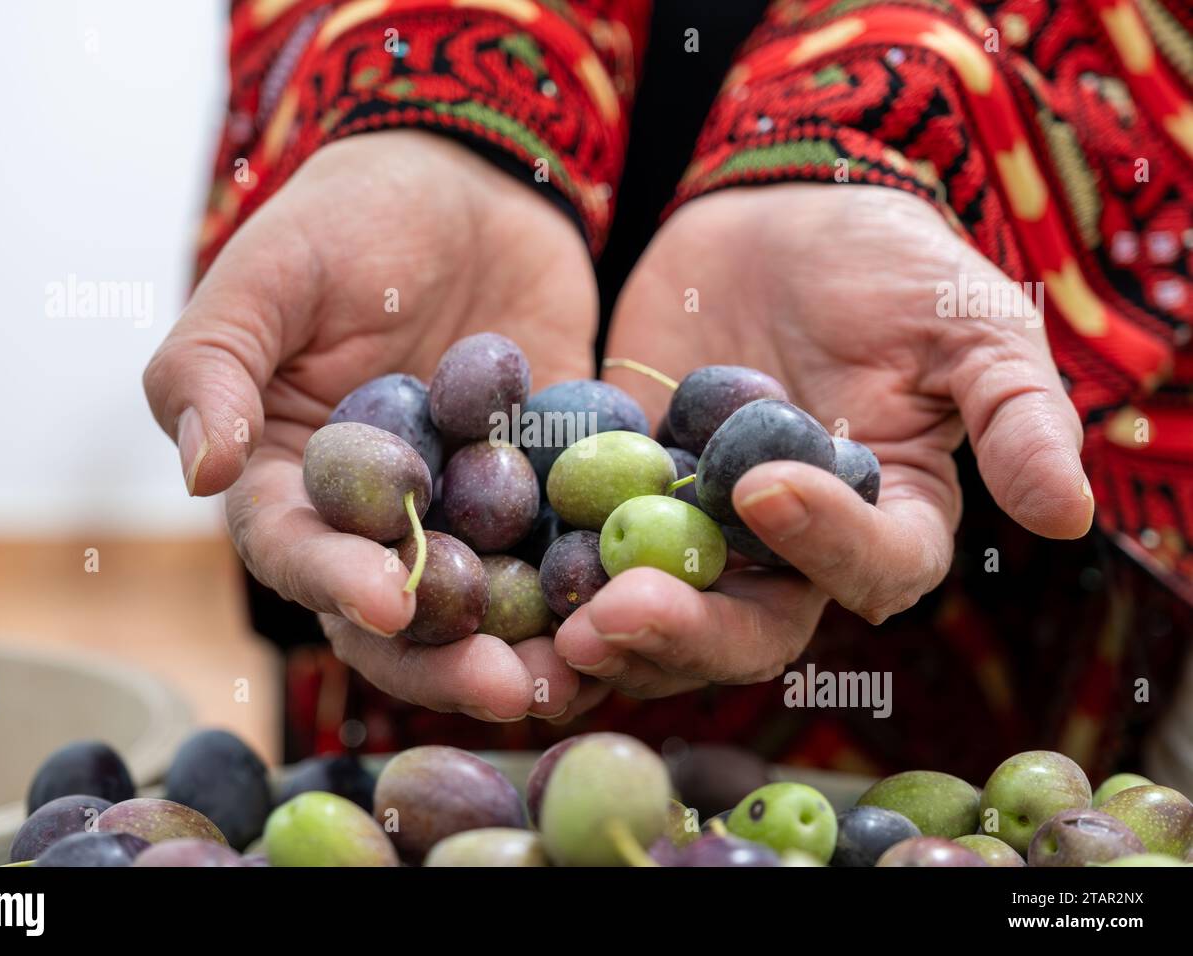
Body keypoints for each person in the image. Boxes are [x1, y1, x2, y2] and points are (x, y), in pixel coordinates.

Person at [143, 0, 1193, 780]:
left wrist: (871, 135)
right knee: (431, 763)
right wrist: (433, 108)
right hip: (483, 253)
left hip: (848, 328)